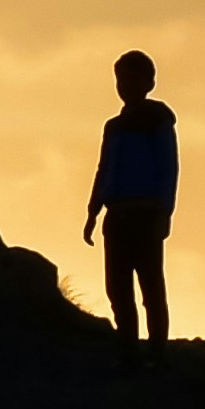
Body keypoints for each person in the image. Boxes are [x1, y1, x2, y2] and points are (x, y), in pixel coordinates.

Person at [81, 49, 177, 347]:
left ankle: (157, 352)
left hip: (146, 214)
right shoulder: (114, 126)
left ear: (149, 82)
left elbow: (169, 167)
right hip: (116, 215)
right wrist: (93, 211)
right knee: (118, 290)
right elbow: (104, 168)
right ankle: (128, 351)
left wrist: (164, 212)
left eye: (133, 78)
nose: (125, 85)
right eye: (120, 79)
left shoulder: (158, 119)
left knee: (151, 288)